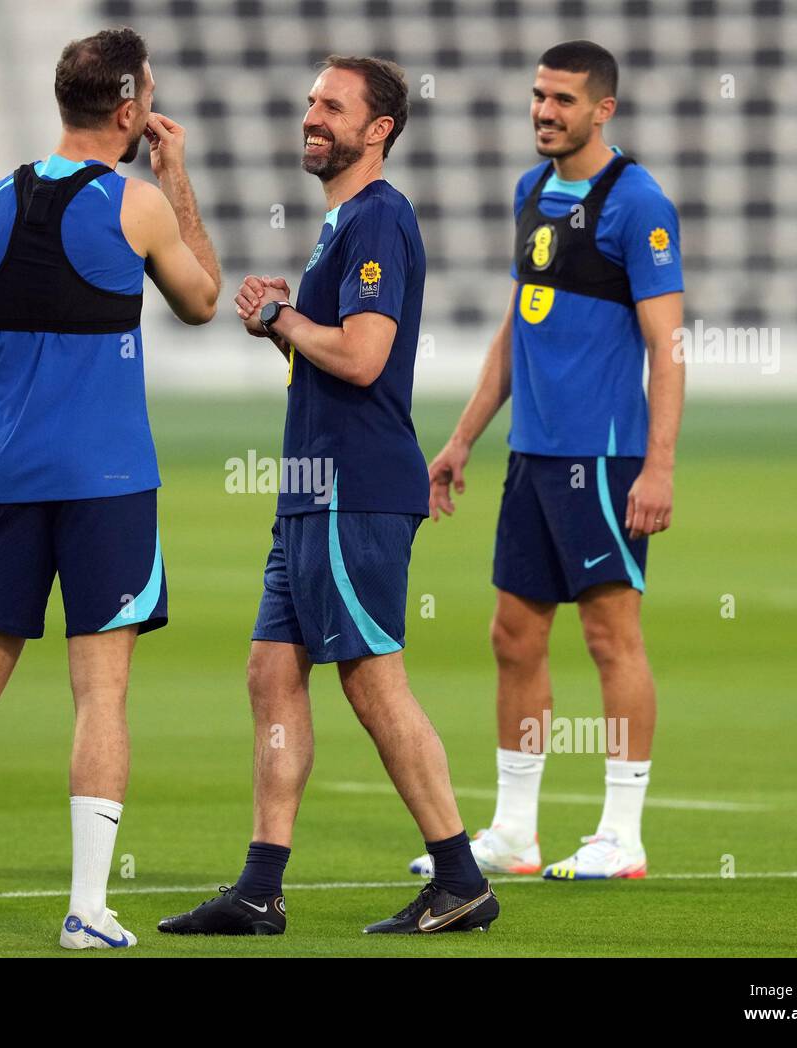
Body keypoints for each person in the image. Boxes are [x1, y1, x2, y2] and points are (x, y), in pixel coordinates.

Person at [0, 27, 220, 950]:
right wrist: (176, 172)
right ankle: (86, 909)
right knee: (100, 697)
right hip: (108, 487)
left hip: (11, 483)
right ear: (131, 111)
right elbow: (204, 298)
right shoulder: (136, 202)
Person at [159, 56, 499, 937]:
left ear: (377, 129)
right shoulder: (344, 223)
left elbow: (363, 357)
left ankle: (460, 878)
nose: (312, 116)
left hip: (355, 489)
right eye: (311, 102)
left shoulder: (380, 218)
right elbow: (330, 357)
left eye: (332, 106)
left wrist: (281, 318)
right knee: (272, 673)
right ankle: (261, 888)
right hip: (312, 488)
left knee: (372, 678)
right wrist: (285, 326)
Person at [411, 40, 685, 882]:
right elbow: (516, 327)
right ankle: (516, 833)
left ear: (603, 109)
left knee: (611, 636)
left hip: (603, 460)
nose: (543, 111)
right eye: (538, 96)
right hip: (531, 458)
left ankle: (622, 834)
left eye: (562, 100)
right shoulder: (530, 191)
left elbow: (667, 349)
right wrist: (462, 438)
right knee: (514, 635)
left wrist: (659, 466)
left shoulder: (639, 204)